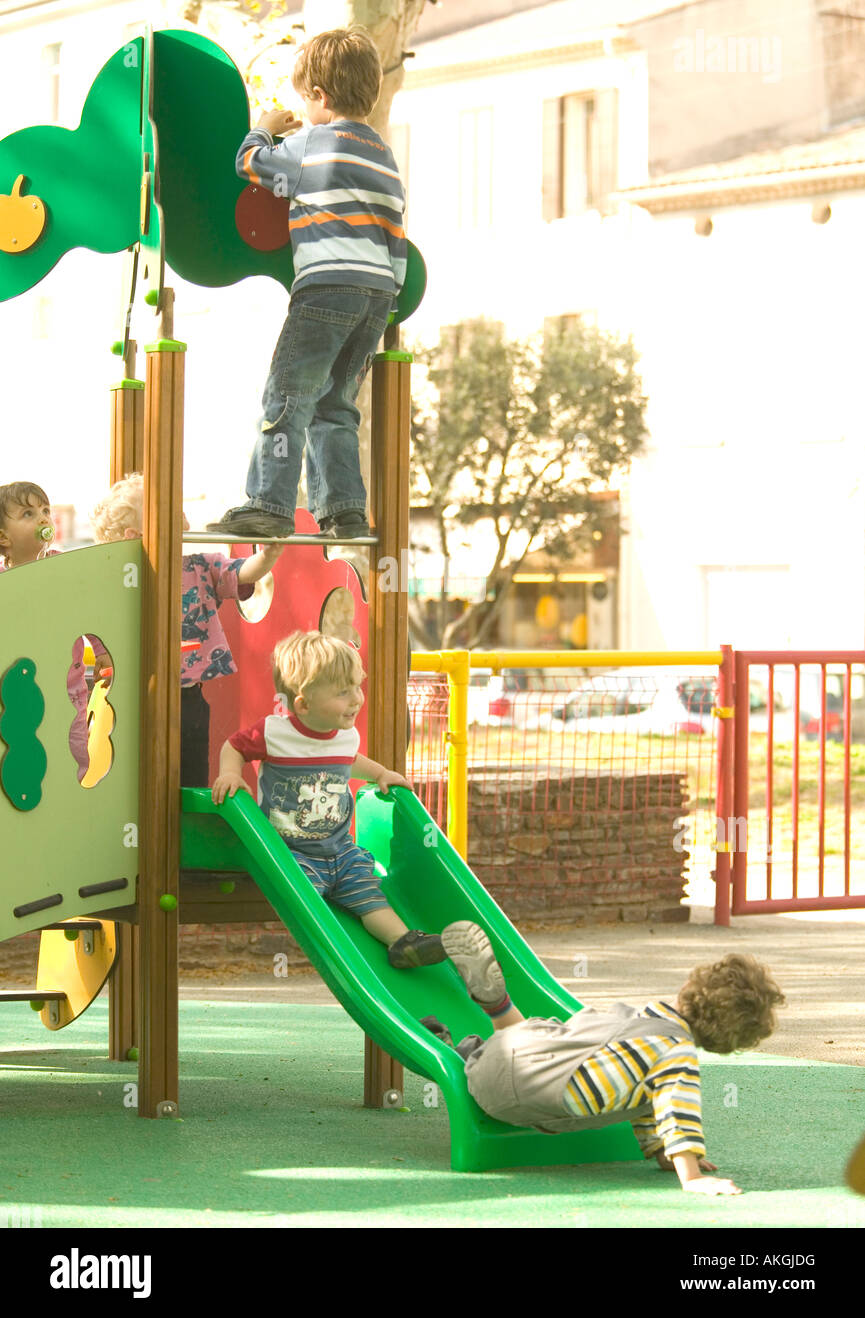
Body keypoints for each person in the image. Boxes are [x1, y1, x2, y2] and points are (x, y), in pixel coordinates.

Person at [207, 27, 406, 543]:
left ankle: (268, 504)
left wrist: (263, 128)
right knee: (336, 404)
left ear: (318, 96)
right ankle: (344, 511)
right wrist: (390, 303)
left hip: (325, 290)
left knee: (288, 397)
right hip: (377, 296)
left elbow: (249, 166)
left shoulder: (311, 143)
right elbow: (396, 236)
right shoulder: (384, 155)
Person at [426, 921, 785, 1196]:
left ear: (689, 988)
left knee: (556, 1032)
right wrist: (689, 1174)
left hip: (506, 1056)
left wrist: (660, 1149)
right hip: (509, 1104)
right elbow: (675, 1108)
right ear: (727, 1039)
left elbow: (648, 1101)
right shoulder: (679, 1054)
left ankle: (486, 1018)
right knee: (572, 1067)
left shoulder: (636, 1019)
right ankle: (462, 1040)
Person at [211, 630, 445, 969]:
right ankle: (334, 949)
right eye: (343, 692)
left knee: (370, 897)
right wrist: (230, 774)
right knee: (307, 898)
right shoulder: (275, 733)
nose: (356, 699)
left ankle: (403, 943)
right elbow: (234, 746)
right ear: (304, 703)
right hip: (290, 851)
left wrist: (380, 773)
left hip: (341, 850)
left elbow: (350, 758)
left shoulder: (345, 735)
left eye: (357, 687)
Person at [90, 474, 283, 786]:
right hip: (139, 695)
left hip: (188, 697)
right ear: (136, 534)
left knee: (191, 768)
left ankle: (185, 825)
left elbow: (240, 573)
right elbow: (99, 626)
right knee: (141, 773)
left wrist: (267, 556)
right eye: (169, 508)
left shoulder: (198, 566)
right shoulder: (121, 580)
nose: (181, 512)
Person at [0, 480, 110, 781]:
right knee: (24, 745)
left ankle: (76, 795)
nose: (43, 518)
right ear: (3, 538)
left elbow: (88, 613)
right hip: (18, 686)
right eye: (27, 514)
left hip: (69, 686)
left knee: (78, 747)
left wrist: (99, 651)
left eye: (45, 510)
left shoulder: (64, 567)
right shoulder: (4, 581)